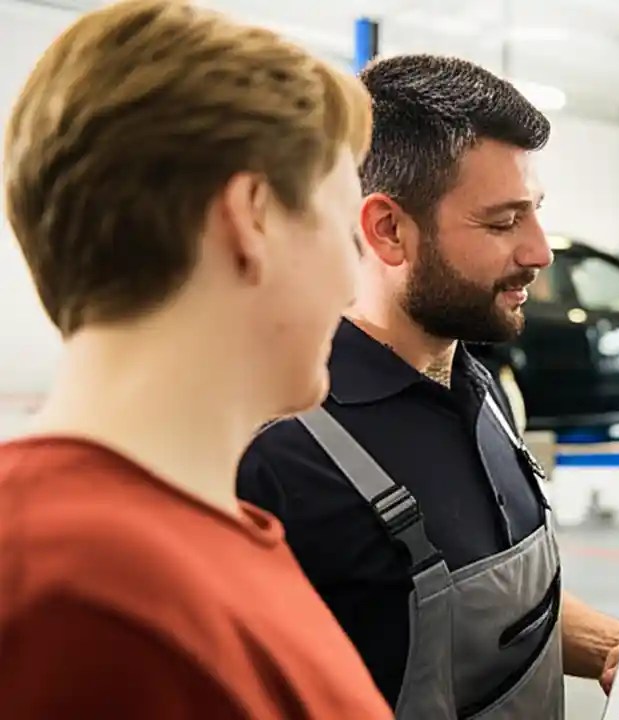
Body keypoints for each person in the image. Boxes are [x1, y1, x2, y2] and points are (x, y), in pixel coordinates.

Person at [0, 1, 390, 717]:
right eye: (346, 232)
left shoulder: (157, 550)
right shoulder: (83, 602)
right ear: (252, 218)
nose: (350, 281)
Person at [236, 53, 619, 720]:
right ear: (388, 230)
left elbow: (502, 610)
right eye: (504, 223)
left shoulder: (480, 387)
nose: (541, 251)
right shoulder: (276, 454)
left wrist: (616, 647)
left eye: (535, 212)